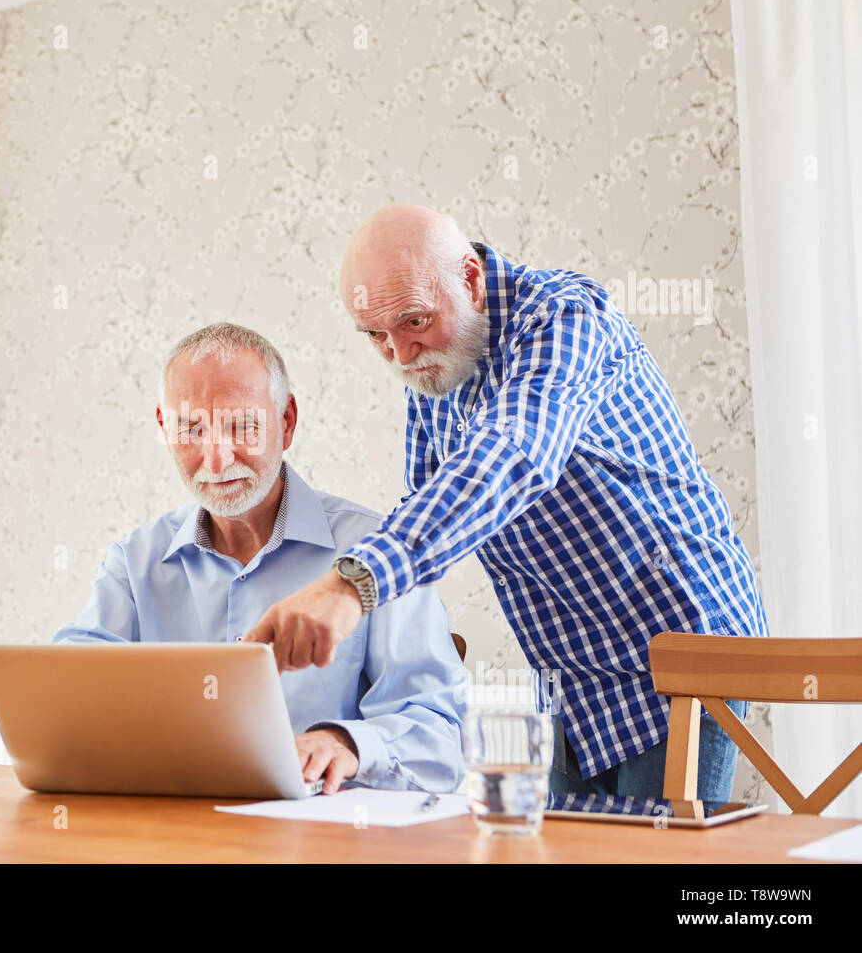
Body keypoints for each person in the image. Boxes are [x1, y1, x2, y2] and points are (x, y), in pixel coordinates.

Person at [244, 205, 767, 804]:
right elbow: (428, 505)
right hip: (570, 677)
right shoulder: (435, 368)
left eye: (414, 321)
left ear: (469, 279)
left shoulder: (565, 316)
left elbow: (512, 455)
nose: (400, 354)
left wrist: (349, 586)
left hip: (677, 652)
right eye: (375, 335)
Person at [53, 323, 466, 794]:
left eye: (242, 425)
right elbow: (68, 688)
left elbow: (441, 738)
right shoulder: (134, 561)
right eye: (191, 428)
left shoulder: (377, 553)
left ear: (286, 422)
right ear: (165, 429)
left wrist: (344, 743)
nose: (216, 457)